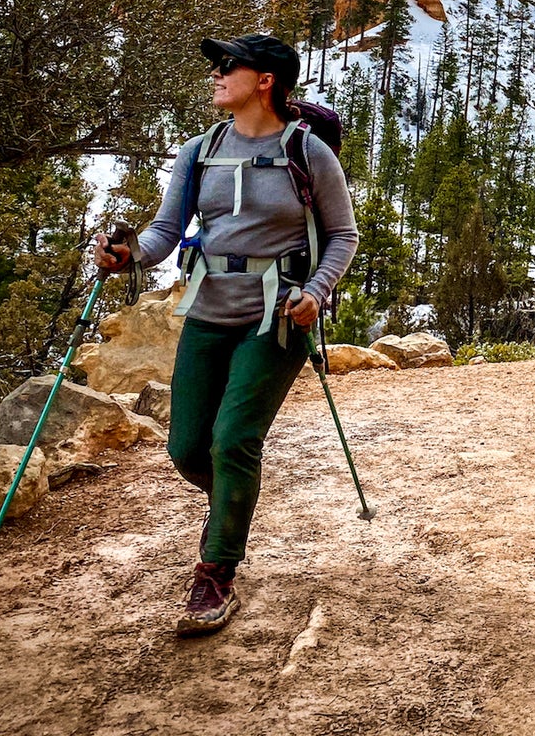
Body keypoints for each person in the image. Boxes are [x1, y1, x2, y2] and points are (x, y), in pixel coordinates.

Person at [94, 33, 358, 636]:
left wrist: (314, 292)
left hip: (277, 318)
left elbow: (343, 235)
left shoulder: (310, 153)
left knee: (233, 439)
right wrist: (130, 255)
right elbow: (166, 231)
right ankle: (235, 505)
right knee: (188, 449)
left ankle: (215, 575)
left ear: (265, 80)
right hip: (208, 311)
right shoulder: (200, 149)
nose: (217, 74)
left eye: (228, 66)